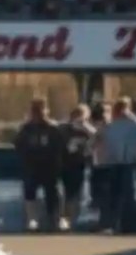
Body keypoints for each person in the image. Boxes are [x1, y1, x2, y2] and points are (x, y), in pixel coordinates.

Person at [94, 97, 136, 234]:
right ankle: (112, 223)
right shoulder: (112, 125)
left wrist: (134, 156)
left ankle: (129, 224)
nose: (121, 110)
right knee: (113, 195)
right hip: (113, 163)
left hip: (128, 163)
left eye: (124, 107)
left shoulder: (135, 124)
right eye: (119, 107)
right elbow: (103, 140)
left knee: (127, 194)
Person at [14, 98, 65, 231]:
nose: (38, 113)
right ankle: (32, 220)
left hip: (49, 166)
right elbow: (18, 145)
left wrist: (58, 162)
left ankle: (54, 219)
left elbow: (60, 146)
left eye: (41, 110)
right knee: (30, 193)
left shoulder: (52, 128)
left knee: (52, 194)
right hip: (31, 166)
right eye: (35, 110)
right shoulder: (26, 129)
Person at [59, 105, 97, 231]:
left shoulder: (87, 130)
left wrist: (85, 127)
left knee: (77, 194)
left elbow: (96, 137)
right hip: (65, 165)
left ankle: (72, 219)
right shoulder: (64, 129)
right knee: (66, 194)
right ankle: (64, 219)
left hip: (80, 165)